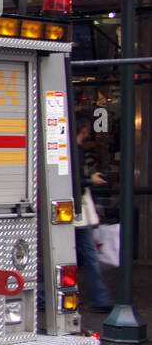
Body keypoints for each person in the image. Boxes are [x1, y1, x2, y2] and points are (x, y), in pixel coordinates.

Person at [74, 123, 113, 313]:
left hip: (76, 211)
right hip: (79, 211)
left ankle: (99, 297)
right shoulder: (76, 151)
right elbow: (74, 180)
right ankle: (100, 298)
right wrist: (91, 180)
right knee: (88, 255)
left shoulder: (72, 150)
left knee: (77, 254)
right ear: (84, 130)